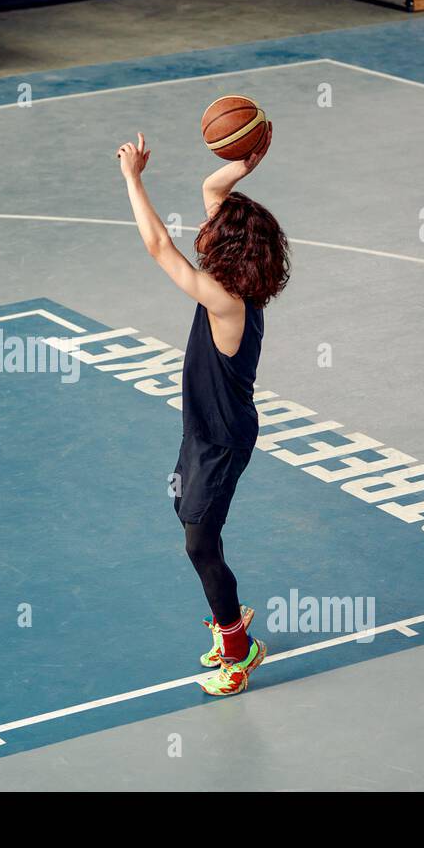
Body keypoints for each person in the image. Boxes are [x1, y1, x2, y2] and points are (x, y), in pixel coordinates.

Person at [115, 124, 289, 696]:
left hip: (223, 437)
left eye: (215, 229)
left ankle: (239, 649)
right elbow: (212, 187)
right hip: (207, 427)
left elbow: (159, 248)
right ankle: (229, 620)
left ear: (228, 246)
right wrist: (245, 162)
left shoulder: (226, 300)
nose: (205, 230)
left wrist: (132, 179)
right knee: (186, 514)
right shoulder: (239, 279)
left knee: (198, 540)